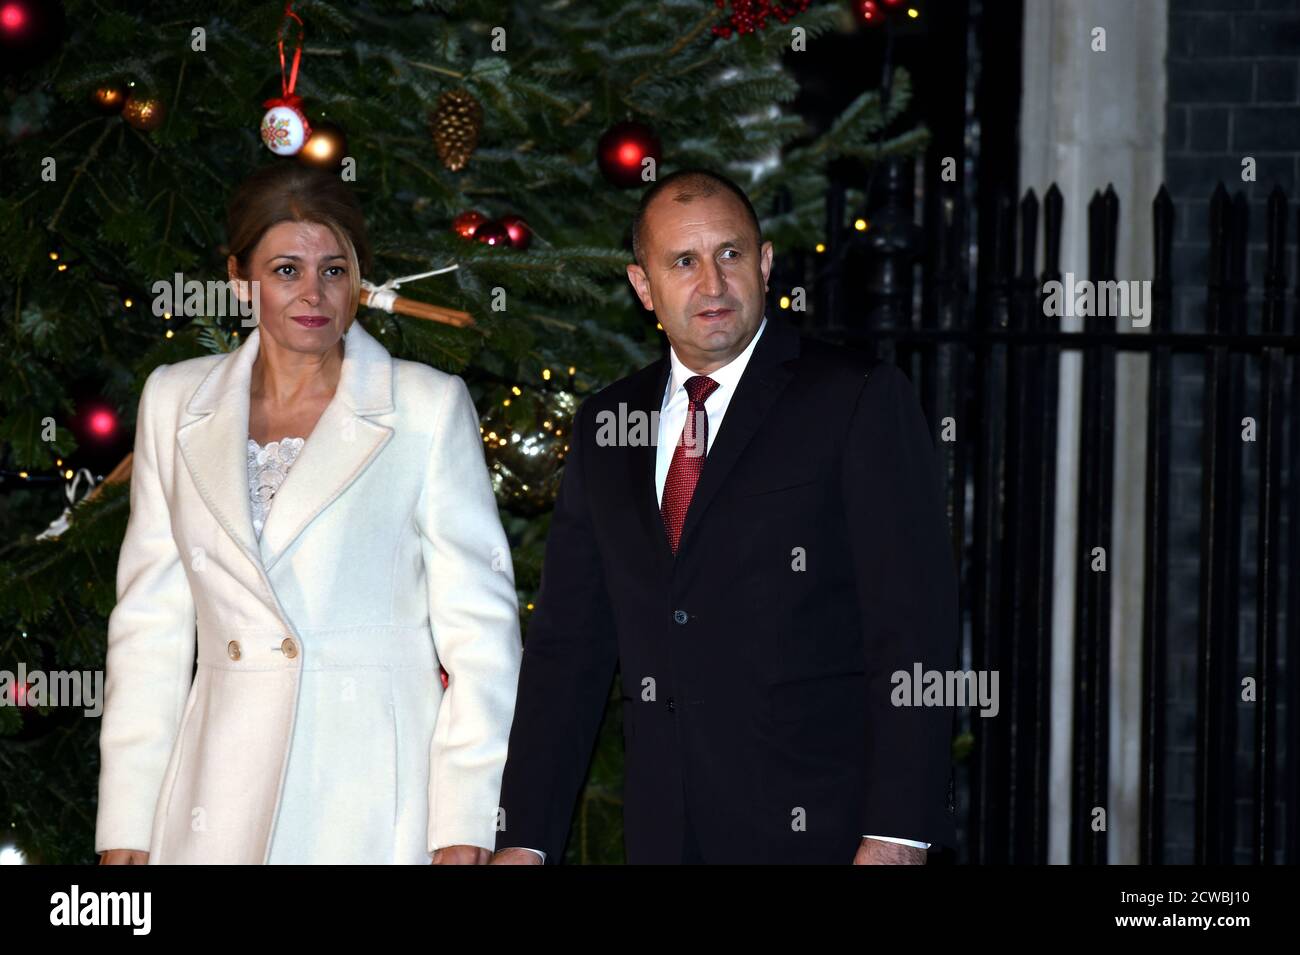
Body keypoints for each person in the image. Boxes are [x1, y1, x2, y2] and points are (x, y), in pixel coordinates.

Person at [491, 168, 958, 864]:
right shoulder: (607, 426)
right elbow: (568, 649)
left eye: (730, 254)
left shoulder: (855, 398)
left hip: (824, 833)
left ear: (765, 264)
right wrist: (525, 838)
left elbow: (912, 625)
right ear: (643, 286)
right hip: (665, 833)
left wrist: (896, 833)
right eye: (683, 261)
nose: (712, 282)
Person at [95, 163, 521, 864]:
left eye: (334, 269)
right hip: (215, 798)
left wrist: (465, 820)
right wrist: (128, 827)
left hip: (375, 796)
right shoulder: (174, 401)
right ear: (241, 280)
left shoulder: (425, 406)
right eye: (286, 269)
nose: (314, 294)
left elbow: (481, 634)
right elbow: (150, 628)